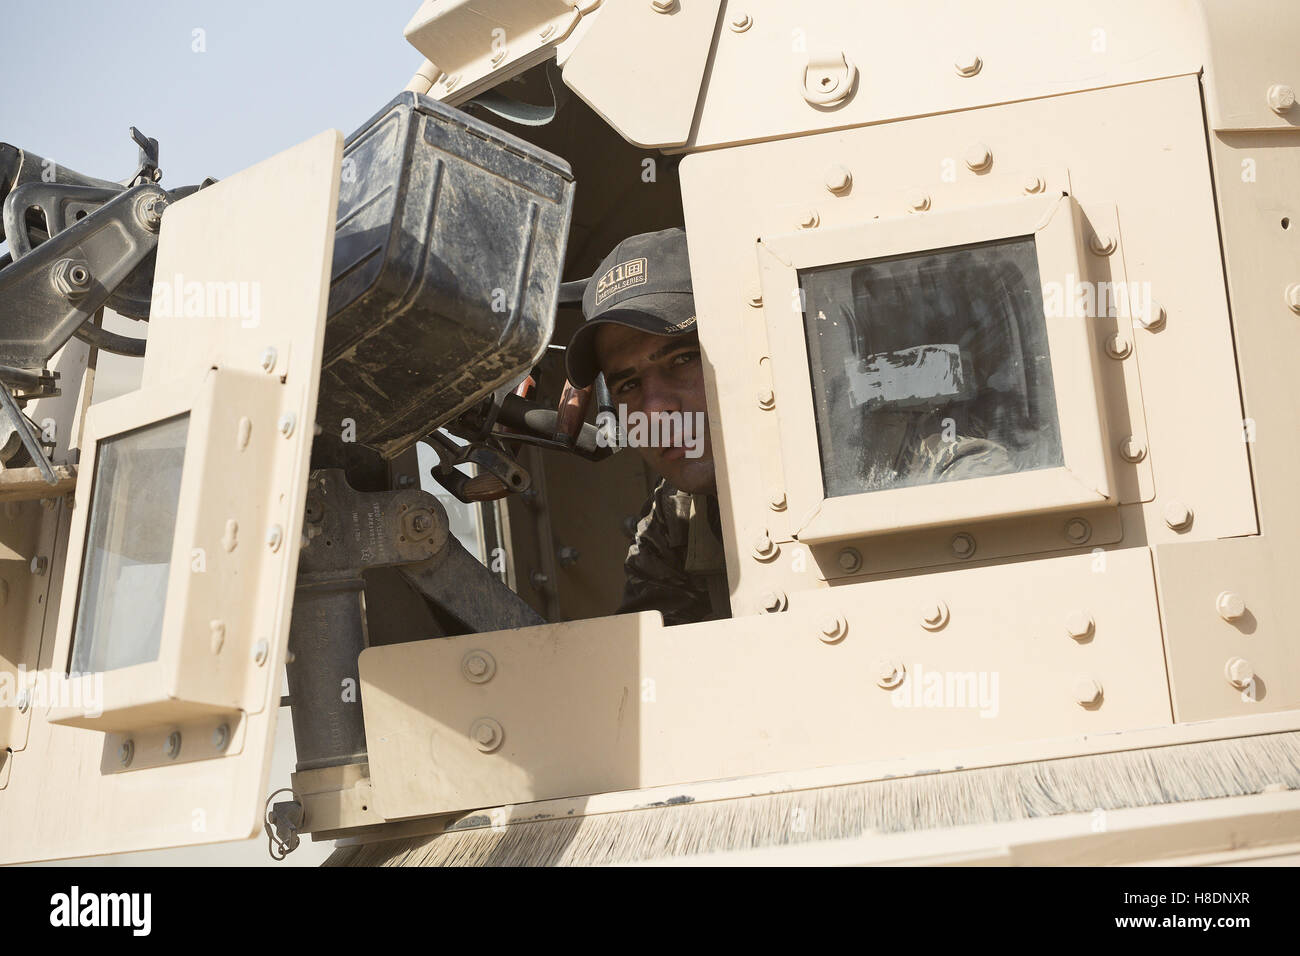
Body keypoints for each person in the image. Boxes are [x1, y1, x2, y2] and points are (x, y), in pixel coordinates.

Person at [565, 227, 729, 627]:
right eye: (629, 385)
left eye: (682, 359)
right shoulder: (675, 517)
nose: (655, 412)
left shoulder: (846, 460)